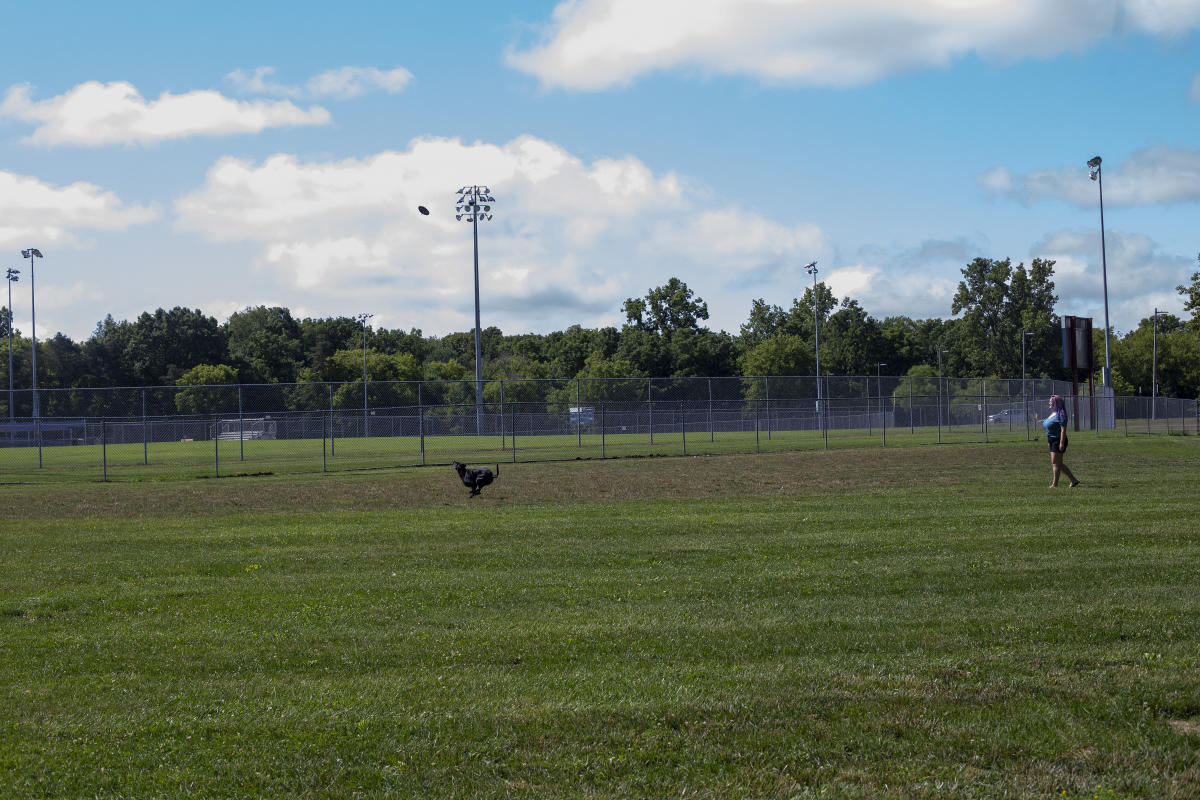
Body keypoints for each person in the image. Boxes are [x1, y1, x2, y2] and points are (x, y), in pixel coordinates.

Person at [1042, 395, 1079, 488]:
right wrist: (1049, 442)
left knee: (1055, 463)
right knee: (1058, 463)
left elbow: (1063, 430)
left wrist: (1061, 443)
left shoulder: (1061, 414)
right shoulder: (1053, 414)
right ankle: (1073, 480)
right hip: (1051, 439)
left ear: (1056, 403)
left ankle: (1055, 484)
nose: (1049, 403)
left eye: (1051, 401)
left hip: (1058, 440)